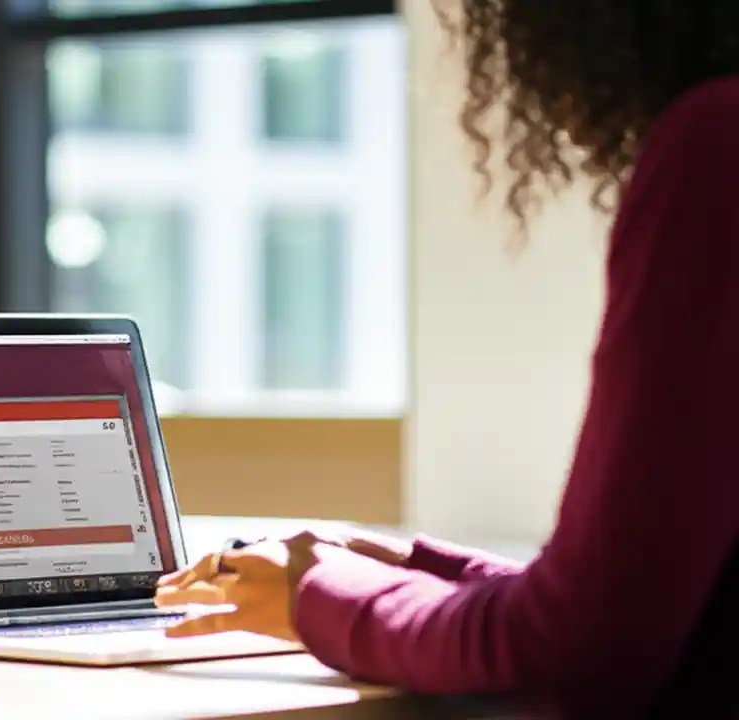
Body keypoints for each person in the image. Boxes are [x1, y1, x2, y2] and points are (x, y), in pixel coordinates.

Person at [154, 3, 739, 718]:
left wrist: (319, 598)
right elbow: (638, 605)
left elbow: (583, 649)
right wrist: (414, 569)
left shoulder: (717, 142)